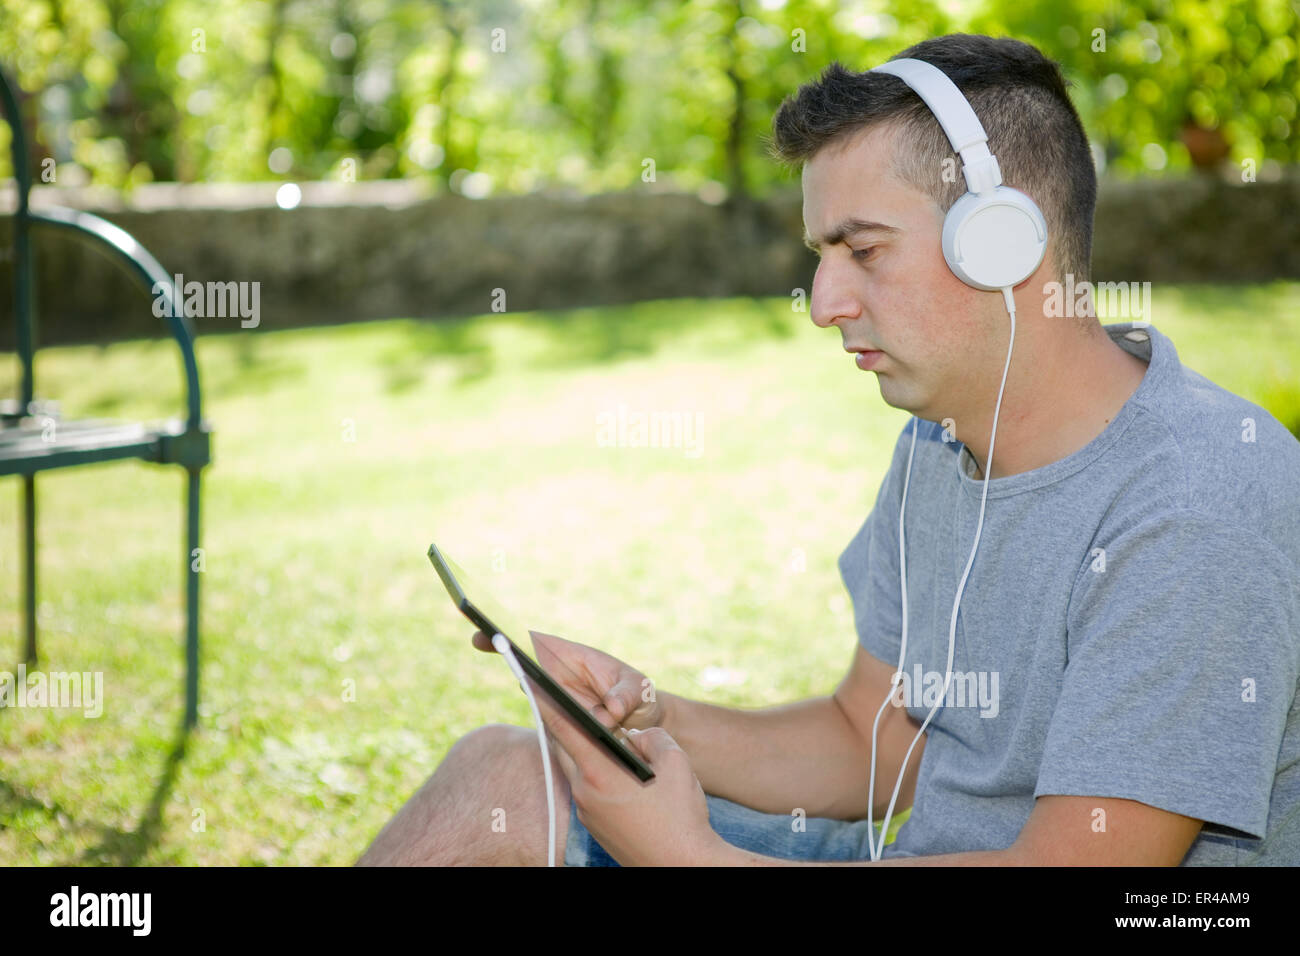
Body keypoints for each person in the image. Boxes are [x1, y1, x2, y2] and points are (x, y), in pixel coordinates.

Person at [357, 33, 1300, 867]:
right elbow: (870, 739)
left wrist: (687, 856)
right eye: (821, 253)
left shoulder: (1196, 500)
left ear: (1004, 243)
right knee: (503, 772)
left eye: (864, 250)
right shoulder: (939, 443)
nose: (823, 302)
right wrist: (652, 719)